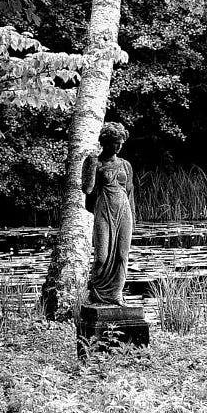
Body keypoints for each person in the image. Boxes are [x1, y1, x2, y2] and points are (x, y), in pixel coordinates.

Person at [84, 121, 134, 306]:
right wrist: (91, 164)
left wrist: (133, 222)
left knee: (122, 255)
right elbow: (87, 190)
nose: (119, 146)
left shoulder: (126, 165)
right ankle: (96, 294)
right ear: (106, 142)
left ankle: (116, 295)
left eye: (121, 142)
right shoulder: (95, 162)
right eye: (116, 142)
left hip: (123, 211)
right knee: (102, 257)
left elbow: (130, 193)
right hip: (104, 210)